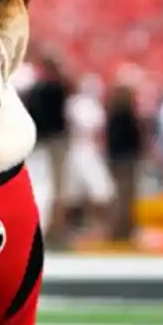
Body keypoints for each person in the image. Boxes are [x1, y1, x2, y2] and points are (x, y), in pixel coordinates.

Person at [62, 74, 116, 241]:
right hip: (81, 151)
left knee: (91, 193)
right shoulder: (80, 105)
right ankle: (77, 229)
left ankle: (92, 228)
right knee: (88, 193)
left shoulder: (81, 104)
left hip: (84, 150)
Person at [26, 53, 71, 243]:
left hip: (39, 141)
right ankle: (56, 228)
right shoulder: (59, 87)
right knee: (58, 186)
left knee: (40, 185)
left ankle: (44, 226)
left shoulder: (36, 89)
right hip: (56, 141)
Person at [105, 80, 144, 243]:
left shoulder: (112, 116)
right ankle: (125, 229)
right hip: (128, 161)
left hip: (116, 160)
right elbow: (135, 139)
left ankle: (119, 229)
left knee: (119, 195)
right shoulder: (128, 116)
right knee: (126, 196)